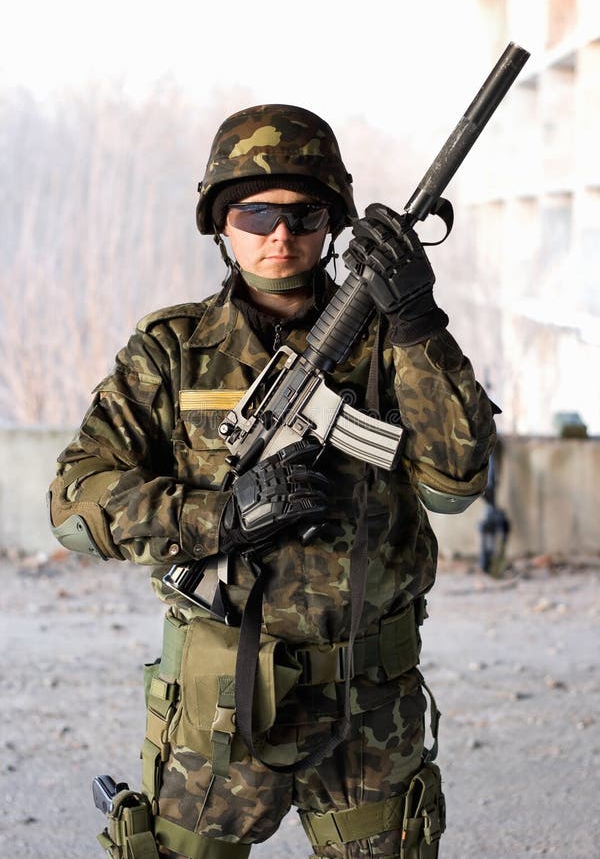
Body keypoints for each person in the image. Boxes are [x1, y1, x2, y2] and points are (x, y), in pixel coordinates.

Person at [48, 104, 496, 859]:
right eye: (255, 214)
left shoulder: (395, 341)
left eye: (304, 214)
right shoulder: (173, 349)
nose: (280, 235)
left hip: (369, 699)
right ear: (220, 223)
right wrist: (220, 517)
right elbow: (72, 503)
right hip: (219, 701)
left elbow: (455, 483)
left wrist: (419, 319)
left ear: (333, 223)